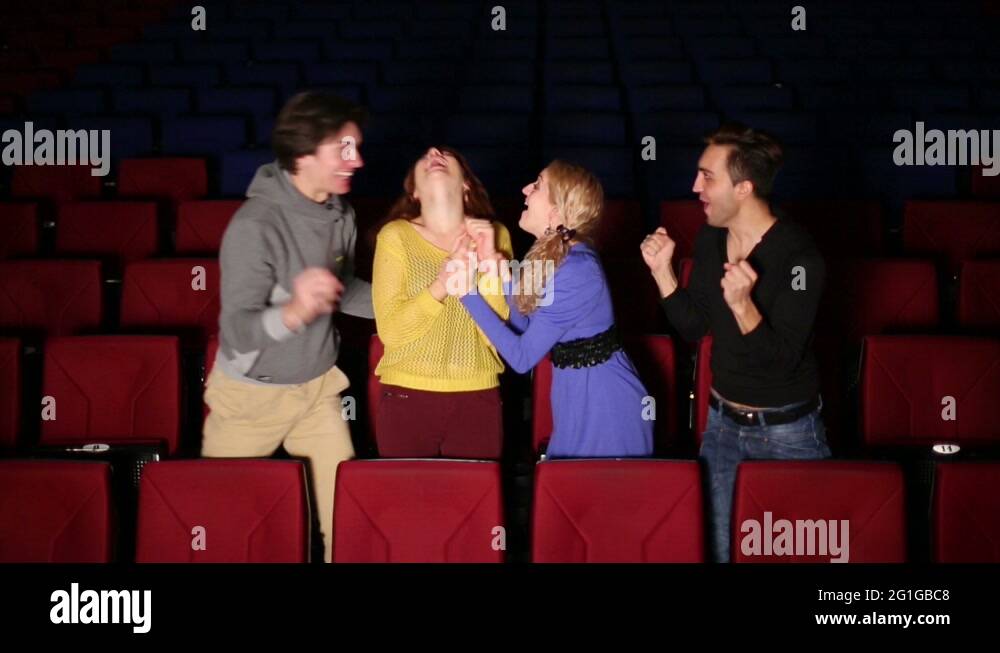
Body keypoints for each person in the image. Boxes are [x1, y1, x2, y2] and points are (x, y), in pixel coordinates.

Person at [640, 123, 829, 563]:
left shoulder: (801, 259)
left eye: (707, 176)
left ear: (743, 188)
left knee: (791, 555)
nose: (694, 186)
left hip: (787, 433)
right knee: (721, 551)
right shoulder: (711, 238)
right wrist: (662, 273)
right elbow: (693, 327)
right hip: (721, 425)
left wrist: (744, 306)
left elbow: (781, 362)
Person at [202, 91, 373, 563]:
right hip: (249, 397)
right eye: (343, 149)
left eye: (356, 147)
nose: (356, 160)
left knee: (346, 517)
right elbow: (237, 330)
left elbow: (344, 289)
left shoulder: (341, 213)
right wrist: (295, 311)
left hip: (316, 391)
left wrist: (411, 306)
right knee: (223, 526)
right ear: (303, 152)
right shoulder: (255, 225)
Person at [447, 160, 653, 458]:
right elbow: (521, 327)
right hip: (577, 398)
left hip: (607, 408)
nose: (525, 189)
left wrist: (467, 292)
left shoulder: (579, 269)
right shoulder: (550, 257)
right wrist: (501, 272)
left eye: (538, 184)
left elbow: (522, 358)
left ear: (556, 212)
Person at [371, 146, 513, 459]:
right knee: (405, 504)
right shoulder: (395, 236)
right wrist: (440, 285)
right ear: (415, 191)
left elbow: (499, 335)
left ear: (466, 185)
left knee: (474, 502)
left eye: (447, 155)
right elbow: (391, 332)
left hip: (477, 395)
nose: (434, 152)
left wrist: (489, 261)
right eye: (423, 157)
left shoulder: (495, 234)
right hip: (407, 396)